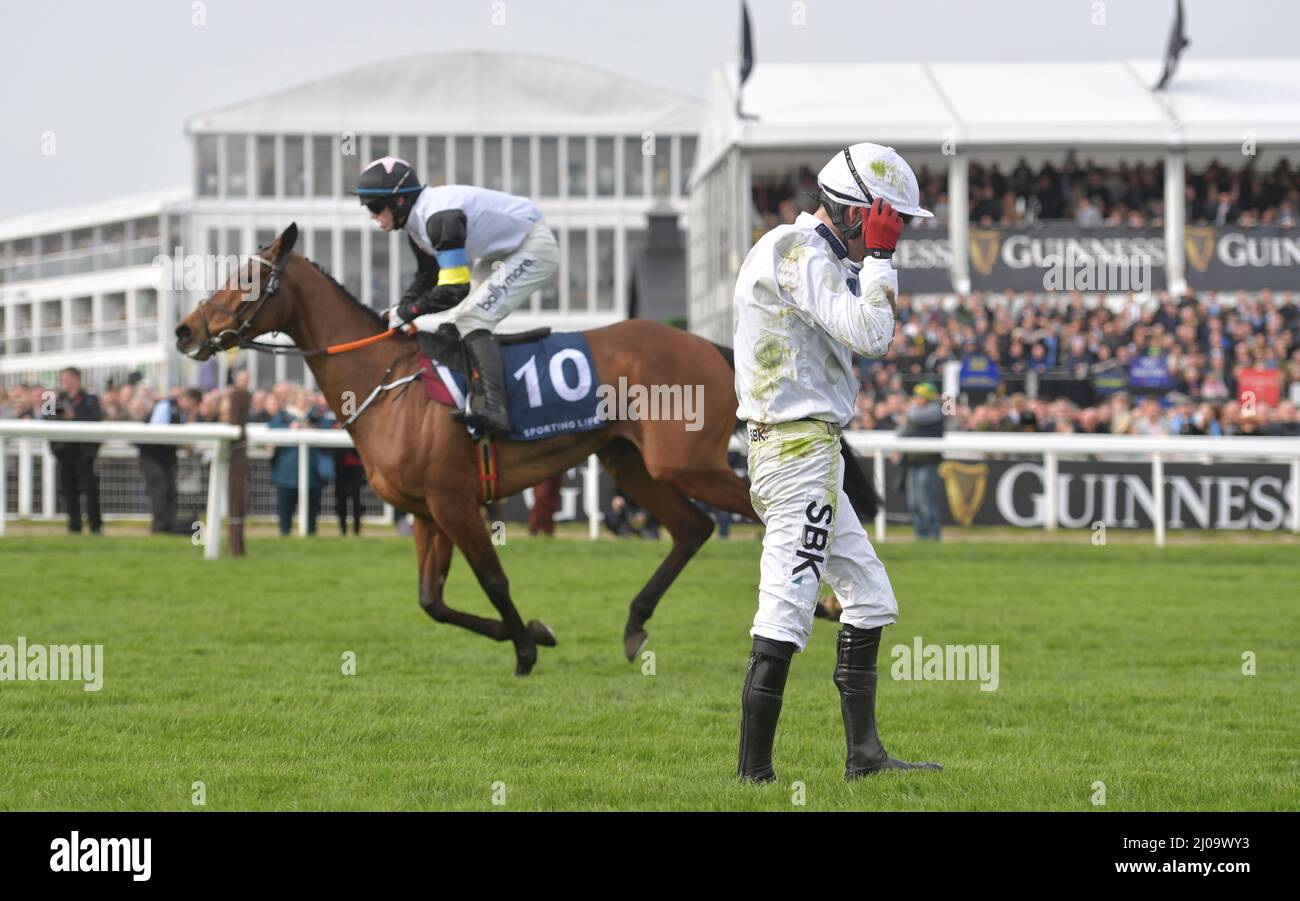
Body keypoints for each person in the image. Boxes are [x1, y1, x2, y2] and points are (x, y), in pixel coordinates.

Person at [732, 144, 941, 783]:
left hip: (806, 449)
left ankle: (865, 756)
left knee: (870, 597)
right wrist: (879, 260)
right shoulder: (798, 253)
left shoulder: (808, 253)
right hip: (798, 455)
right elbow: (874, 336)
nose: (896, 233)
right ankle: (754, 775)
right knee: (787, 609)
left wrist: (872, 259)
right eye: (889, 221)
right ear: (858, 213)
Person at [352, 156, 560, 437]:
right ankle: (471, 392)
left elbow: (454, 289)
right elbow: (428, 277)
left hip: (532, 247)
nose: (371, 215)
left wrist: (408, 313)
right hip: (501, 252)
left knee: (473, 317)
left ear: (400, 201)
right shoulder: (415, 225)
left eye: (375, 207)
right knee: (453, 322)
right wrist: (399, 310)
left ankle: (495, 407)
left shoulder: (439, 218)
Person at [46, 367, 104, 534]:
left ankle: (95, 526)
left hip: (84, 452)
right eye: (62, 379)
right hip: (65, 452)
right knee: (68, 490)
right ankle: (74, 526)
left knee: (90, 490)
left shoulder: (90, 400)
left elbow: (96, 420)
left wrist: (74, 417)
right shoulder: (54, 399)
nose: (63, 383)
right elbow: (46, 419)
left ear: (76, 379)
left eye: (66, 379)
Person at [136, 388, 202, 534]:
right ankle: (160, 527)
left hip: (165, 456)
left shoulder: (181, 413)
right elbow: (158, 433)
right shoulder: (165, 406)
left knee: (170, 490)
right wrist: (182, 444)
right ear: (188, 400)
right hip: (151, 455)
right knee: (160, 489)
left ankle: (168, 525)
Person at [897, 382, 945, 541]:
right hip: (912, 462)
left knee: (926, 502)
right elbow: (900, 433)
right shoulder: (914, 412)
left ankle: (933, 535)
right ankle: (921, 535)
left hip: (928, 462)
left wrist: (907, 410)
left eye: (920, 396)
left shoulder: (935, 411)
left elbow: (914, 416)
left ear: (928, 398)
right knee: (914, 502)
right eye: (916, 396)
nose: (916, 399)